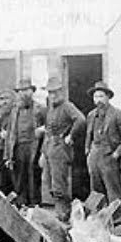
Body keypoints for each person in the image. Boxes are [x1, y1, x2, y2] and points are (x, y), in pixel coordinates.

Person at [84, 81, 121, 213]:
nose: (98, 100)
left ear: (107, 97)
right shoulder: (91, 115)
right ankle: (99, 221)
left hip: (110, 158)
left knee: (113, 194)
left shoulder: (117, 114)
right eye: (95, 97)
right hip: (95, 156)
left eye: (101, 96)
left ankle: (117, 223)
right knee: (96, 193)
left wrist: (117, 154)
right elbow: (89, 136)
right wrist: (88, 152)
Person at [42, 76, 84, 220]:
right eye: (50, 92)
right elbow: (48, 130)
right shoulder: (51, 108)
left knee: (59, 183)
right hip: (49, 147)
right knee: (49, 181)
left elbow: (80, 119)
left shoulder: (67, 106)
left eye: (55, 92)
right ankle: (59, 210)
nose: (52, 95)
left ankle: (63, 213)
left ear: (61, 92)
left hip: (60, 148)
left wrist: (71, 136)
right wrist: (43, 152)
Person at [4, 79, 47, 207]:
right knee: (19, 177)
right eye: (21, 91)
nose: (23, 94)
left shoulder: (41, 109)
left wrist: (42, 130)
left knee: (33, 176)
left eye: (26, 90)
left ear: (32, 92)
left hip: (35, 148)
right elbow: (10, 133)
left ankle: (35, 205)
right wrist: (8, 155)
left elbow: (49, 127)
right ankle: (21, 205)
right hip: (18, 147)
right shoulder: (14, 111)